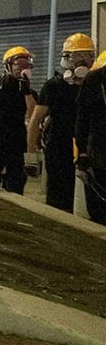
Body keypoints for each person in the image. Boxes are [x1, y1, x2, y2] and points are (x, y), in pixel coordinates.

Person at [28, 33, 96, 215]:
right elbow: (35, 118)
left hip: (86, 149)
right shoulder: (54, 85)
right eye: (76, 56)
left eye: (86, 56)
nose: (82, 61)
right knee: (59, 197)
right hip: (59, 147)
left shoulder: (95, 84)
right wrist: (31, 155)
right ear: (66, 59)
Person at [0, 46, 36, 194]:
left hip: (17, 148)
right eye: (18, 64)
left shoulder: (28, 93)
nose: (22, 68)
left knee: (16, 188)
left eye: (26, 65)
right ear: (7, 66)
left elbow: (34, 116)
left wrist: (27, 92)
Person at [73, 49, 106, 223]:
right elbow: (82, 119)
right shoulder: (94, 81)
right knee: (98, 212)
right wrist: (82, 154)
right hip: (98, 158)